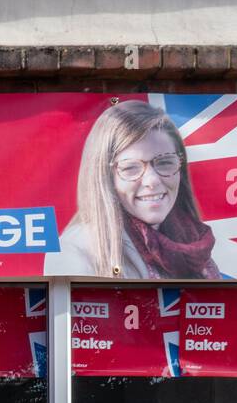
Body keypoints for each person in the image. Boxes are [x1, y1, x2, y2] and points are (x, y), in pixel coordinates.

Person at [56, 100, 221, 279]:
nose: (152, 180)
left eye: (165, 162)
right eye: (130, 168)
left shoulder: (194, 244)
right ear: (105, 177)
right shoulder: (78, 250)